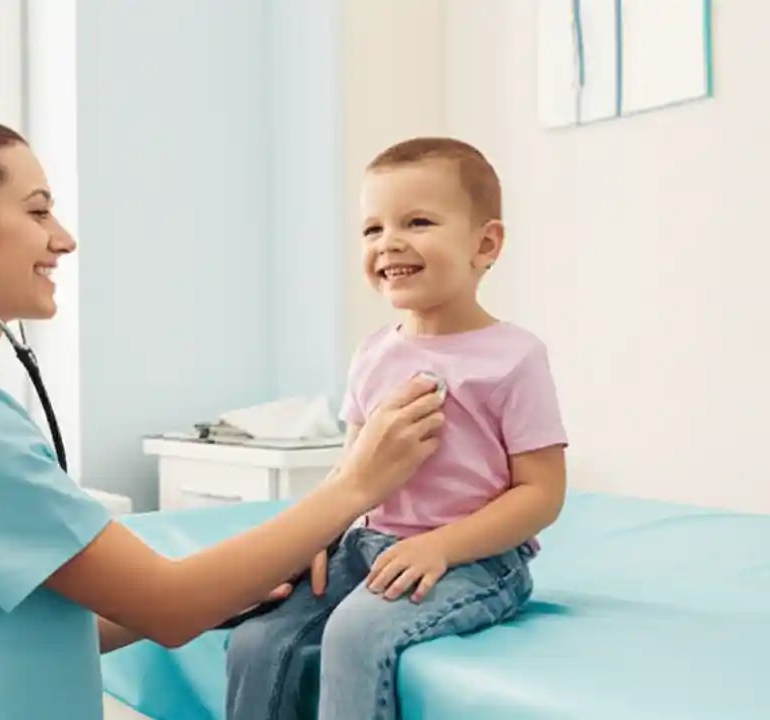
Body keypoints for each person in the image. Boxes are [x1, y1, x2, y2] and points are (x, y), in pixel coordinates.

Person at [0, 114, 447, 719]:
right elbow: (167, 606)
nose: (63, 237)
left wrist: (234, 585)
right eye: (37, 211)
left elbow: (44, 625)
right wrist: (354, 487)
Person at [225, 138, 569, 720]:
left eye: (417, 221)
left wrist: (441, 544)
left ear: (485, 244)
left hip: (476, 558)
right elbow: (351, 468)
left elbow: (543, 493)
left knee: (356, 634)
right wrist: (320, 534)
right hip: (369, 546)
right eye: (371, 229)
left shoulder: (515, 357)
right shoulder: (372, 353)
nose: (389, 242)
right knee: (257, 640)